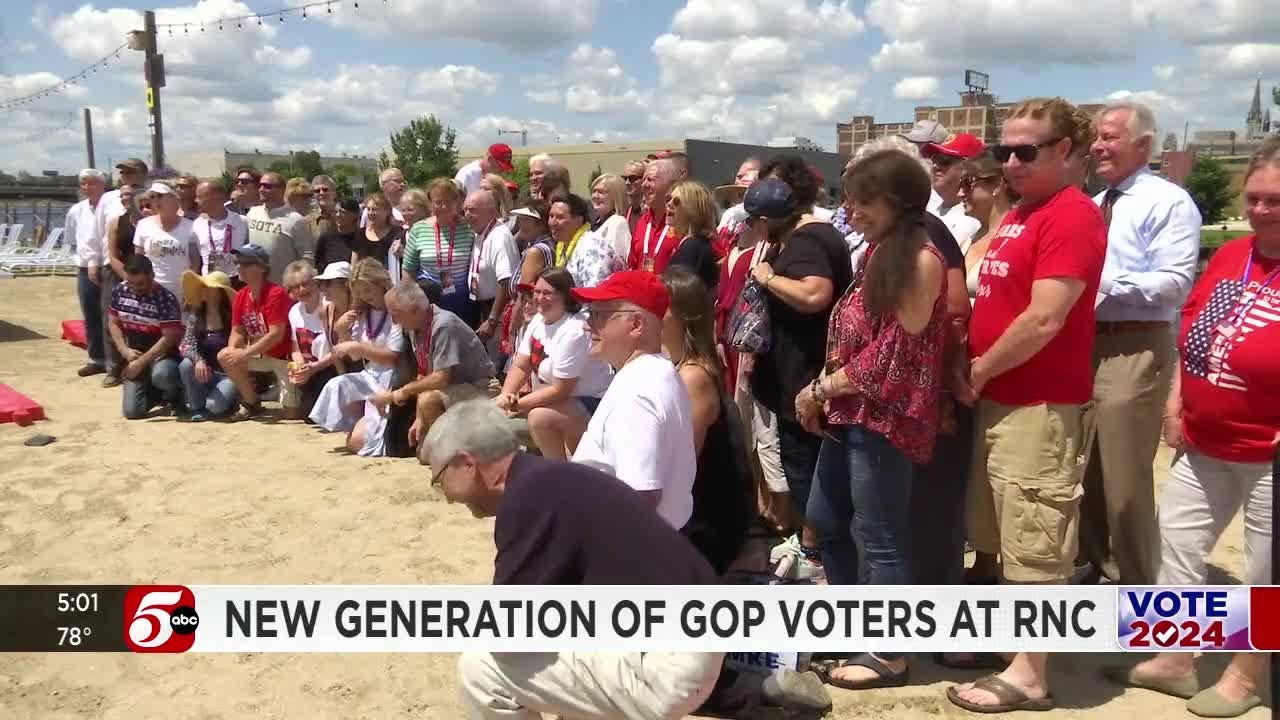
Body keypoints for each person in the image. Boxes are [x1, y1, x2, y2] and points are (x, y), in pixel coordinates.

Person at [1104, 135, 1279, 719]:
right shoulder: (1234, 256)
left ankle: (1244, 675)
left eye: (1274, 200)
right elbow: (1194, 328)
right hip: (1205, 437)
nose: (1259, 210)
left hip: (1267, 452)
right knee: (1178, 550)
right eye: (1253, 198)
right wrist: (1177, 401)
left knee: (1263, 569)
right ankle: (1174, 659)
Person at [947, 97, 1107, 714]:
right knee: (1000, 538)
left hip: (1039, 406)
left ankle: (1032, 673)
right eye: (1004, 150)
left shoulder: (1069, 215)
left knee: (1036, 546)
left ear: (1065, 150)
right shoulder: (1022, 213)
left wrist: (980, 369)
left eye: (1026, 151)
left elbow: (1044, 317)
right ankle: (1007, 648)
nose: (1010, 161)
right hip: (998, 400)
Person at [429, 402, 723, 720]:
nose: (445, 495)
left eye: (440, 478)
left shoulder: (526, 498)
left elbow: (508, 634)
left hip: (668, 663)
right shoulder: (553, 478)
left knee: (481, 669)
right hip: (693, 640)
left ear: (466, 463)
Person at [797, 150, 947, 690]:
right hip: (852, 413)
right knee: (825, 517)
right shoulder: (879, 253)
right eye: (850, 198)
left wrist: (819, 390)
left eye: (864, 199)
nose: (851, 209)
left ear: (898, 201)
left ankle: (889, 651)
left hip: (885, 420)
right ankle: (850, 622)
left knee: (882, 536)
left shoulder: (919, 259)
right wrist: (826, 393)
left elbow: (894, 357)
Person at [1077, 101, 1203, 587]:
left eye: (1110, 137)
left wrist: (1100, 283)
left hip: (1135, 344)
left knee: (1123, 478)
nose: (1098, 146)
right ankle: (1093, 568)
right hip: (1087, 344)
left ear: (1144, 145)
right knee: (1085, 469)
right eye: (1097, 137)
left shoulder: (1168, 202)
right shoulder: (1094, 203)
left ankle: (1135, 588)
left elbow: (1174, 284)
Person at [747, 164, 854, 580]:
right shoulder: (804, 236)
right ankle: (817, 549)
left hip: (808, 384)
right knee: (809, 474)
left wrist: (769, 278)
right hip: (798, 382)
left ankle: (826, 559)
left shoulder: (808, 240)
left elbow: (815, 293)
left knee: (811, 476)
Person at [570, 271, 697, 530]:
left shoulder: (637, 392)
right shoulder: (655, 371)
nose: (587, 325)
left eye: (599, 315)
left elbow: (640, 497)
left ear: (636, 325)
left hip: (628, 555)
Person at [661, 268, 753, 575]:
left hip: (707, 527)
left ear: (680, 317)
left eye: (656, 307)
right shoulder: (680, 366)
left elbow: (683, 469)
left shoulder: (693, 377)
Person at [366, 282, 497, 460]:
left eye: (396, 315)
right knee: (421, 454)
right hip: (449, 390)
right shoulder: (415, 327)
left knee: (429, 401)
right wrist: (420, 417)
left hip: (481, 387)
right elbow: (424, 375)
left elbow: (440, 378)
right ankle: (444, 452)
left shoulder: (444, 325)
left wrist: (399, 393)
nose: (394, 321)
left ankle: (447, 456)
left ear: (415, 309)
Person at [496, 268, 612, 459]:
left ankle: (560, 474)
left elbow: (561, 390)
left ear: (565, 296)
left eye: (547, 293)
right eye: (537, 292)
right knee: (495, 415)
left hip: (588, 403)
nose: (539, 298)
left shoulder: (574, 330)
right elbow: (521, 365)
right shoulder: (538, 321)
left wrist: (516, 406)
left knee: (538, 418)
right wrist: (504, 398)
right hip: (554, 402)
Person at [308, 258, 402, 449]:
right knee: (337, 385)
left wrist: (357, 347)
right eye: (359, 292)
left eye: (368, 290)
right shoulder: (362, 312)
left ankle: (367, 427)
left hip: (392, 377)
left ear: (381, 283)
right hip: (370, 375)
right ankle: (361, 422)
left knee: (358, 442)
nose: (365, 297)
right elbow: (355, 358)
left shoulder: (396, 310)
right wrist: (343, 331)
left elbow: (394, 358)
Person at [217, 244, 303, 422]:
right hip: (258, 354)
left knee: (292, 415)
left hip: (282, 356)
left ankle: (284, 393)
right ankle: (251, 402)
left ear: (263, 268)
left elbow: (276, 334)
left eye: (247, 263)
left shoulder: (275, 293)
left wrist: (245, 353)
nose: (240, 267)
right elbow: (237, 330)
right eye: (238, 262)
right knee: (225, 355)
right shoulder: (241, 295)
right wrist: (234, 350)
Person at [107, 255, 183, 419]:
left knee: (163, 375)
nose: (134, 288)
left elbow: (170, 337)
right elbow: (113, 323)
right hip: (134, 353)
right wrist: (124, 350)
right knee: (132, 412)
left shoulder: (165, 298)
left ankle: (175, 396)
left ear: (152, 276)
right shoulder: (119, 290)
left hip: (163, 355)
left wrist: (141, 363)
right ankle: (155, 394)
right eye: (130, 283)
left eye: (140, 284)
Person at [403, 178, 477, 322]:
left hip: (462, 300)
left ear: (457, 202)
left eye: (448, 201)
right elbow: (408, 270)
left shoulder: (469, 228)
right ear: (430, 204)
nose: (443, 206)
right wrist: (410, 300)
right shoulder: (419, 229)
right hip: (428, 299)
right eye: (438, 202)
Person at [176, 270, 239, 421]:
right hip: (205, 373)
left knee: (214, 407)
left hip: (228, 376)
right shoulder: (195, 317)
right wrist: (198, 360)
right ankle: (197, 407)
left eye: (207, 287)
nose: (202, 290)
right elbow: (185, 346)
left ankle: (230, 398)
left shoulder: (232, 318)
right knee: (185, 365)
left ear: (219, 293)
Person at [101, 183, 146, 388]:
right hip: (121, 275)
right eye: (123, 195)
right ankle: (113, 370)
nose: (126, 198)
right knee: (113, 321)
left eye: (130, 194)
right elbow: (112, 254)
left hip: (149, 278)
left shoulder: (151, 220)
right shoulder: (116, 222)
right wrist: (128, 278)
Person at [283, 260, 341, 416]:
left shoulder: (329, 305)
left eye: (305, 283)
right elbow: (295, 348)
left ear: (315, 283)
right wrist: (300, 368)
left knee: (319, 416)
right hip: (310, 370)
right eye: (295, 287)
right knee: (308, 414)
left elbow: (340, 348)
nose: (301, 290)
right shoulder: (294, 311)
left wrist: (313, 368)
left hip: (331, 367)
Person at [463, 190, 519, 342]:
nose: (467, 214)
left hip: (496, 311)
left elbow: (506, 280)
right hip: (481, 308)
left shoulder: (499, 237)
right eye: (465, 210)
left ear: (491, 211)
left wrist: (492, 320)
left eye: (472, 210)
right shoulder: (479, 233)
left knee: (495, 361)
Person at [68, 168, 108, 377]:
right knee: (91, 314)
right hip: (85, 269)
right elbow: (72, 239)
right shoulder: (76, 210)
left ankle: (114, 360)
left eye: (92, 183)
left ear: (102, 185)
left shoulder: (111, 207)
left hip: (109, 266)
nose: (87, 187)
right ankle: (96, 358)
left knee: (112, 316)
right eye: (83, 183)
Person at [503, 202, 555, 357]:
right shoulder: (543, 245)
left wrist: (513, 327)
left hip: (529, 317)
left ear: (541, 224)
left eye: (527, 220)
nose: (521, 224)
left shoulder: (535, 251)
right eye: (521, 219)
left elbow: (523, 292)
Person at [133, 183, 197, 303]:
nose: (155, 200)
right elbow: (139, 260)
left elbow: (195, 262)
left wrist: (189, 291)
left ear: (174, 198)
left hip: (181, 292)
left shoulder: (191, 226)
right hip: (151, 291)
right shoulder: (143, 224)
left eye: (160, 195)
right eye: (152, 196)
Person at [246, 171, 314, 284]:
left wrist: (301, 284)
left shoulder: (296, 220)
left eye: (267, 186)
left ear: (282, 190)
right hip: (256, 284)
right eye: (260, 185)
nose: (261, 189)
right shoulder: (252, 213)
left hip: (283, 287)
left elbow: (307, 257)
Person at [923, 133, 985, 252]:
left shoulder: (971, 219)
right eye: (934, 160)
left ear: (968, 168)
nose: (935, 166)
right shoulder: (929, 208)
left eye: (944, 161)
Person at [549, 194, 623, 288]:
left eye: (560, 217)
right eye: (551, 216)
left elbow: (594, 292)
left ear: (578, 220)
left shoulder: (592, 246)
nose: (552, 222)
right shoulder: (562, 246)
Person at [664, 180, 720, 289]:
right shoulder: (694, 243)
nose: (669, 204)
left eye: (676, 201)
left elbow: (679, 293)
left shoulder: (692, 247)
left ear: (692, 210)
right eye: (668, 199)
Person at [628, 159, 681, 273]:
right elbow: (632, 264)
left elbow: (718, 261)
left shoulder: (684, 221)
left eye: (650, 179)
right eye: (643, 180)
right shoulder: (642, 222)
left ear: (670, 184)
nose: (644, 185)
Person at [192, 180, 249, 281]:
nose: (196, 200)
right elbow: (195, 260)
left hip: (236, 281)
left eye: (199, 197)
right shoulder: (197, 225)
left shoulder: (242, 222)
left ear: (215, 197)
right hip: (209, 282)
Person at [350, 192, 405, 282]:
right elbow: (354, 262)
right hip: (364, 283)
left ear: (387, 211)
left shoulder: (397, 233)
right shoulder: (360, 234)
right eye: (368, 209)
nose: (371, 213)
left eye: (375, 209)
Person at [589, 173, 633, 261]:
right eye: (594, 191)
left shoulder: (618, 223)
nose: (595, 196)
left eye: (601, 192)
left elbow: (619, 261)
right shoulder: (594, 223)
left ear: (615, 196)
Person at [314, 198, 358, 273]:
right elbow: (319, 264)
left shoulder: (362, 239)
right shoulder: (325, 238)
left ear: (354, 215)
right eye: (336, 212)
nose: (338, 215)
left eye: (342, 212)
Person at [307, 175, 339, 240]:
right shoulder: (308, 221)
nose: (321, 193)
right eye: (317, 191)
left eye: (325, 189)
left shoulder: (346, 215)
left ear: (334, 192)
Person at [621, 159, 647, 235]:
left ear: (644, 179)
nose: (627, 182)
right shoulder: (623, 213)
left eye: (632, 178)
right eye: (625, 178)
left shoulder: (652, 212)